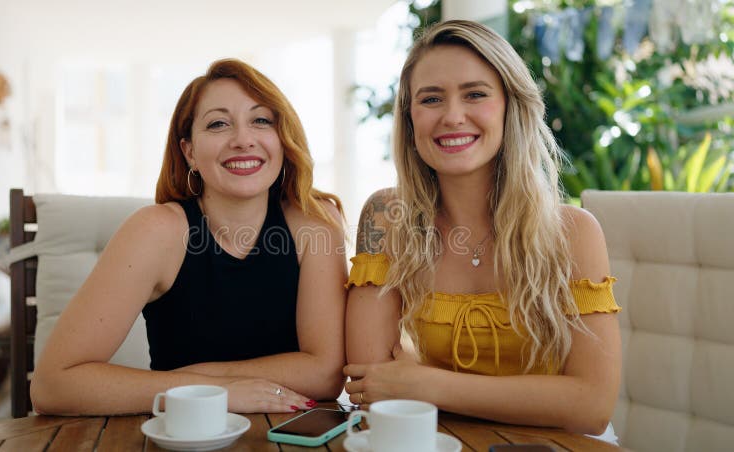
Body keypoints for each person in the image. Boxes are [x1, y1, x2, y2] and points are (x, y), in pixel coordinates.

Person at [343, 20, 622, 440]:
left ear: (511, 105)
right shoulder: (387, 217)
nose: (453, 116)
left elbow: (590, 407)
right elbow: (374, 389)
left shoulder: (573, 232)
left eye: (475, 94)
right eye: (431, 98)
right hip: (438, 439)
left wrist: (427, 384)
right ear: (410, 117)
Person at [32, 59, 348, 415]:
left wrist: (206, 379)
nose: (243, 139)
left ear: (282, 138)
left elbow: (325, 374)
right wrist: (220, 393)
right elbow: (52, 384)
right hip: (181, 435)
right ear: (189, 152)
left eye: (261, 120)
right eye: (218, 124)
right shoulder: (156, 231)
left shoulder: (316, 224)